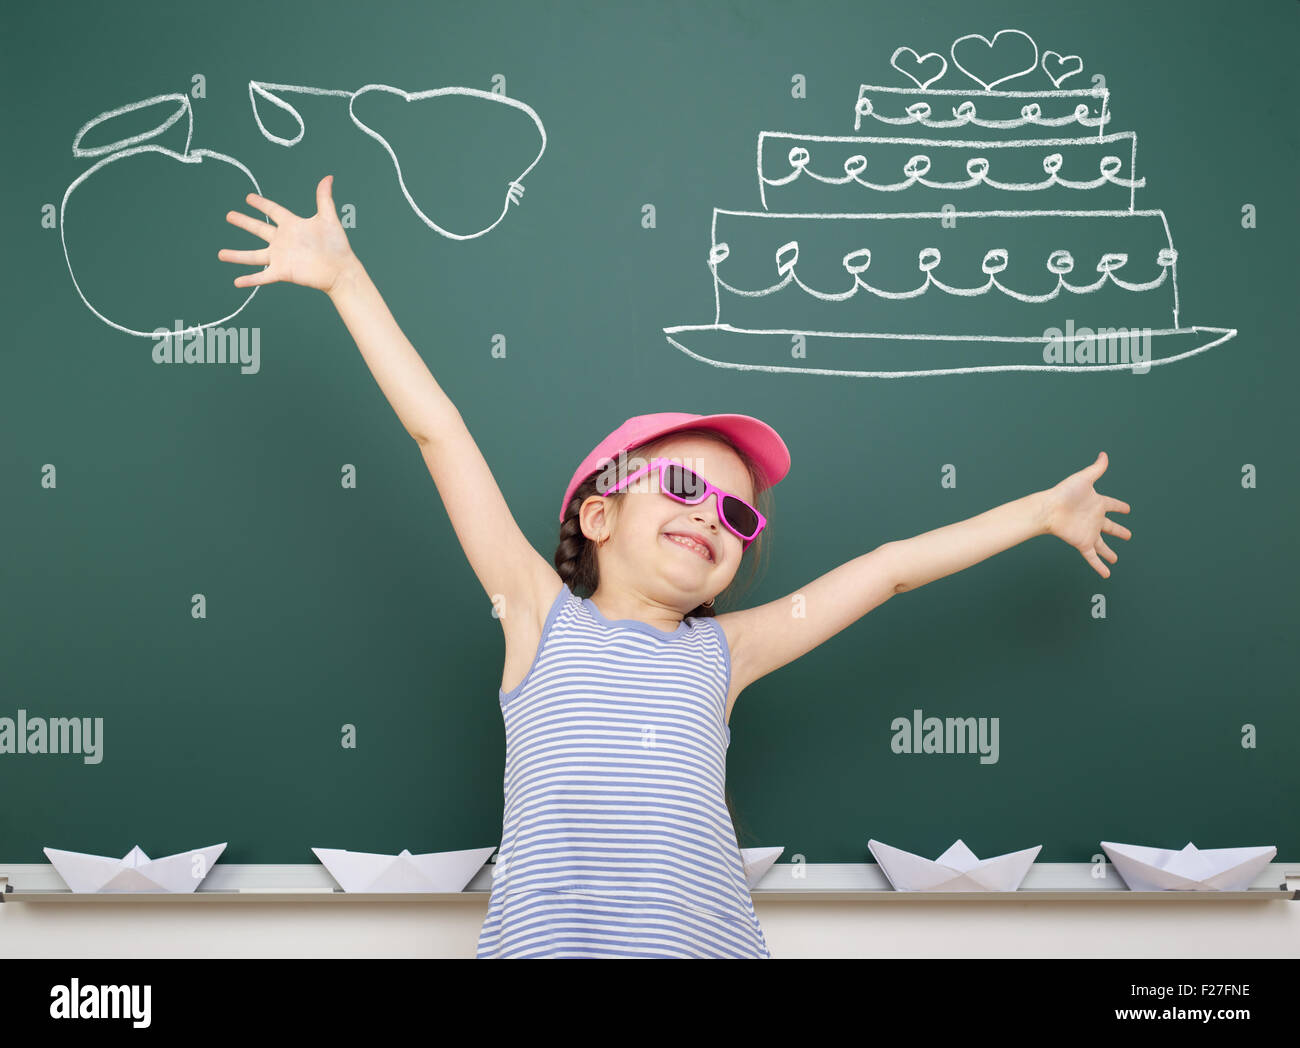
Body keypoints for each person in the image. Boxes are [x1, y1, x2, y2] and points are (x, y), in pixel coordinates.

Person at [219, 177, 1133, 958]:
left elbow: (889, 569)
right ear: (600, 514)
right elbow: (439, 432)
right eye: (686, 485)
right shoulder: (537, 617)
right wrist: (346, 281)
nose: (713, 515)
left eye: (737, 513)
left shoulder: (725, 654)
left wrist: (1040, 512)